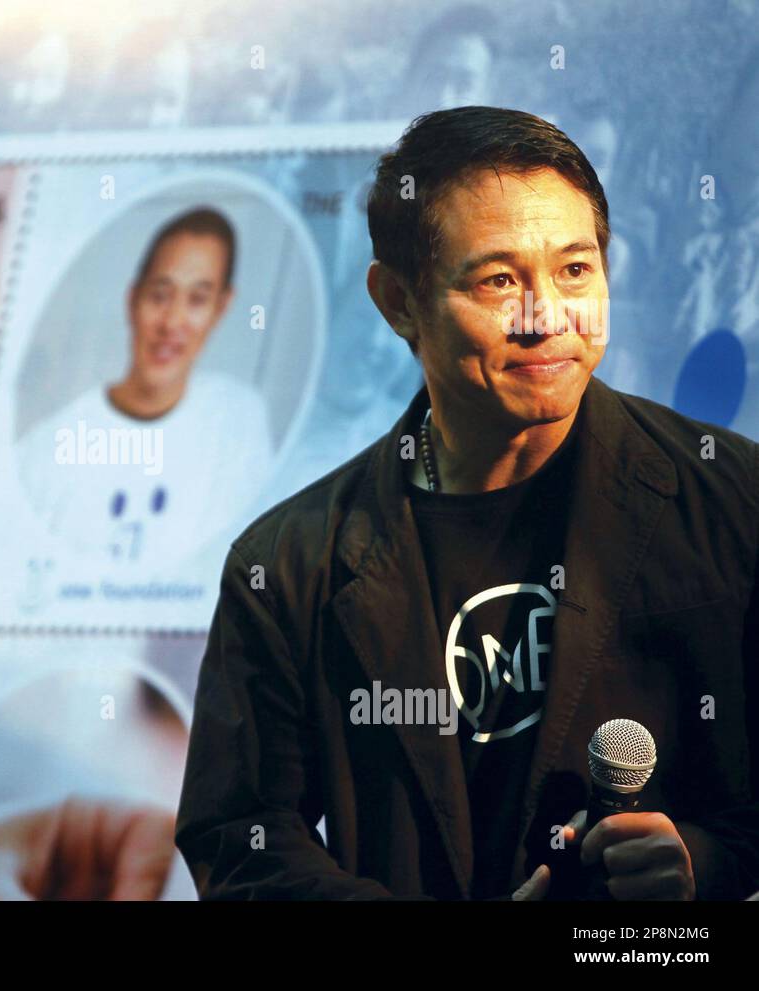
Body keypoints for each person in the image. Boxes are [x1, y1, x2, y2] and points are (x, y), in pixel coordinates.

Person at [175, 107, 759, 900]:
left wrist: (703, 861)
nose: (547, 317)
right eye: (499, 280)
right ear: (399, 302)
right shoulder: (286, 565)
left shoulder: (734, 500)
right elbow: (240, 840)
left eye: (575, 271)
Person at [18, 207, 274, 563]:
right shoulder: (44, 451)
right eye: (159, 295)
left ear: (222, 307)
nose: (172, 322)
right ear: (132, 298)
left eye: (197, 299)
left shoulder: (237, 420)